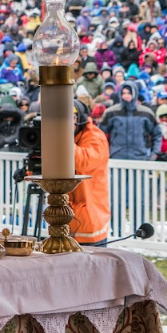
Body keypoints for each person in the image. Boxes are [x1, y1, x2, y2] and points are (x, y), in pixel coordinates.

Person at [71, 99, 111, 246]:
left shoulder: (95, 137)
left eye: (72, 118)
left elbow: (83, 163)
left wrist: (60, 139)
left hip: (90, 224)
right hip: (65, 219)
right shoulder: (67, 139)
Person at [99, 81, 163, 161]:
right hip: (117, 157)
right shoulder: (111, 112)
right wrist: (103, 152)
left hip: (140, 158)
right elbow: (99, 134)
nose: (126, 96)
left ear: (134, 94)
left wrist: (155, 152)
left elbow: (157, 134)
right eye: (124, 93)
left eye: (129, 93)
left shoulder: (146, 113)